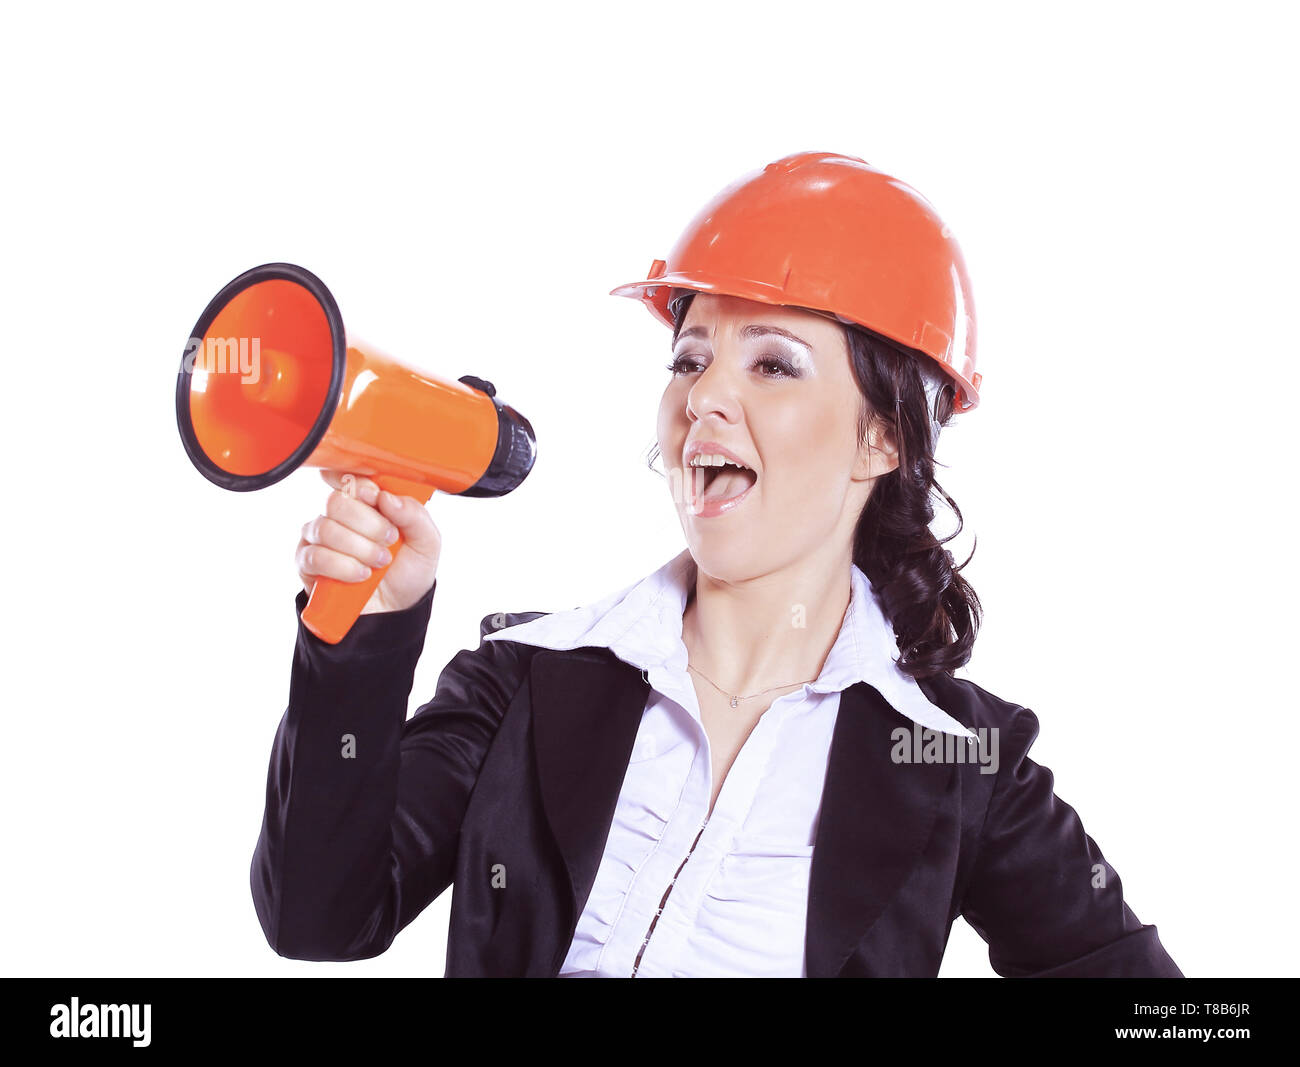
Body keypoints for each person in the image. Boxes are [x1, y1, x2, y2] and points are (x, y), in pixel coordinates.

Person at [250, 151, 1182, 978]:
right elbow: (319, 917)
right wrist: (365, 638)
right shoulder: (522, 678)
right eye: (689, 358)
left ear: (886, 436)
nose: (705, 398)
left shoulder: (957, 759)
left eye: (773, 364)